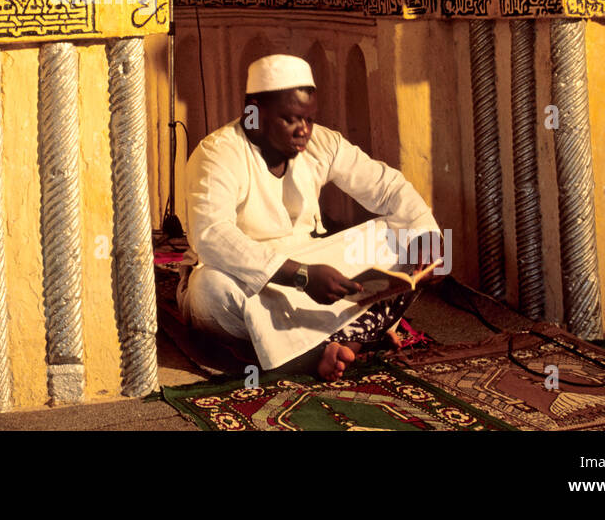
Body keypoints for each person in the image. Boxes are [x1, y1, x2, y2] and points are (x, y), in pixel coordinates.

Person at [176, 53, 445, 380]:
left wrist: (427, 237)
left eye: (309, 118)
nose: (303, 130)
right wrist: (300, 276)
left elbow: (387, 187)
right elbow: (212, 237)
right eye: (289, 119)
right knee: (210, 287)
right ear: (254, 114)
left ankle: (318, 348)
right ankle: (346, 340)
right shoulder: (217, 153)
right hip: (248, 277)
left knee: (401, 237)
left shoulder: (322, 142)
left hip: (313, 268)